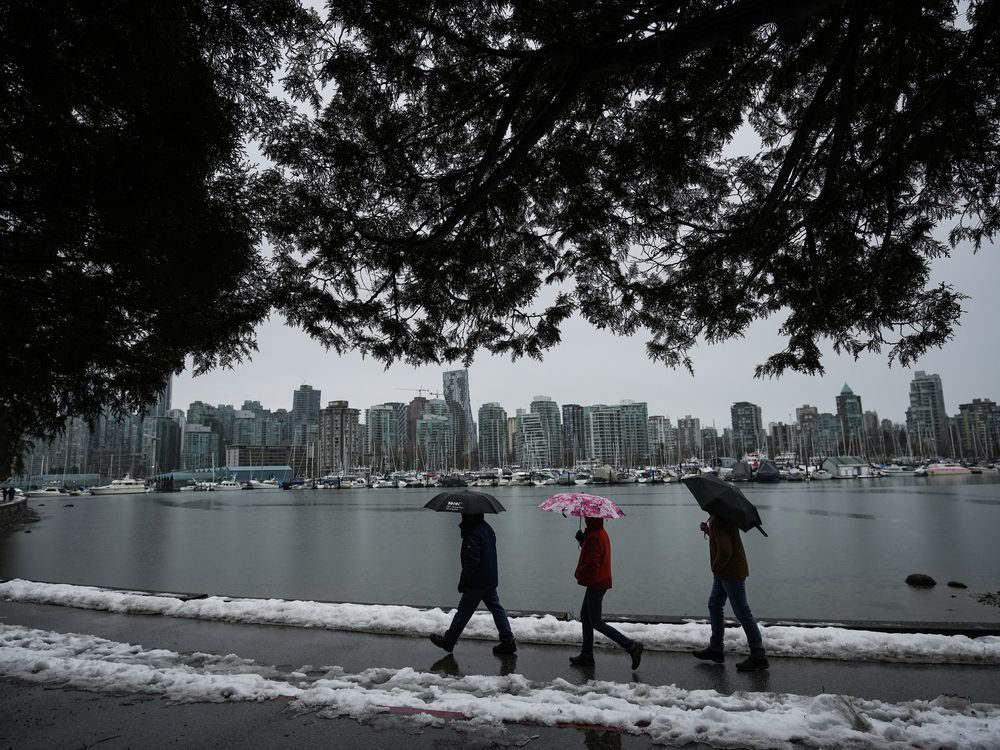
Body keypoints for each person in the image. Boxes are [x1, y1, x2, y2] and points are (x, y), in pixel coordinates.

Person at [430, 512, 517, 655]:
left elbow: (472, 561)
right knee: (496, 609)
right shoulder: (487, 529)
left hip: (477, 581)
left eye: (463, 514)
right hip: (489, 578)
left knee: (464, 612)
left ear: (468, 516)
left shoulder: (473, 533)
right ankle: (508, 641)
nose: (461, 516)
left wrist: (464, 581)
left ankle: (449, 641)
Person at [693, 514, 769, 671]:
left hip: (730, 572)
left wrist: (715, 567)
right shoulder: (720, 517)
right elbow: (725, 540)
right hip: (726, 572)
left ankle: (758, 655)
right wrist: (708, 530)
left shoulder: (720, 519)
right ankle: (716, 649)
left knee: (742, 612)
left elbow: (726, 551)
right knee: (714, 605)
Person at [569, 516, 643, 669]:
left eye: (587, 517)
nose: (585, 518)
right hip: (600, 581)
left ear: (591, 519)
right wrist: (583, 541)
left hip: (596, 582)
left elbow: (592, 565)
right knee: (586, 617)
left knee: (596, 621)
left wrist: (579, 573)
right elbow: (594, 554)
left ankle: (631, 646)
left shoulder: (594, 536)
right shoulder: (599, 532)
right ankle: (587, 654)